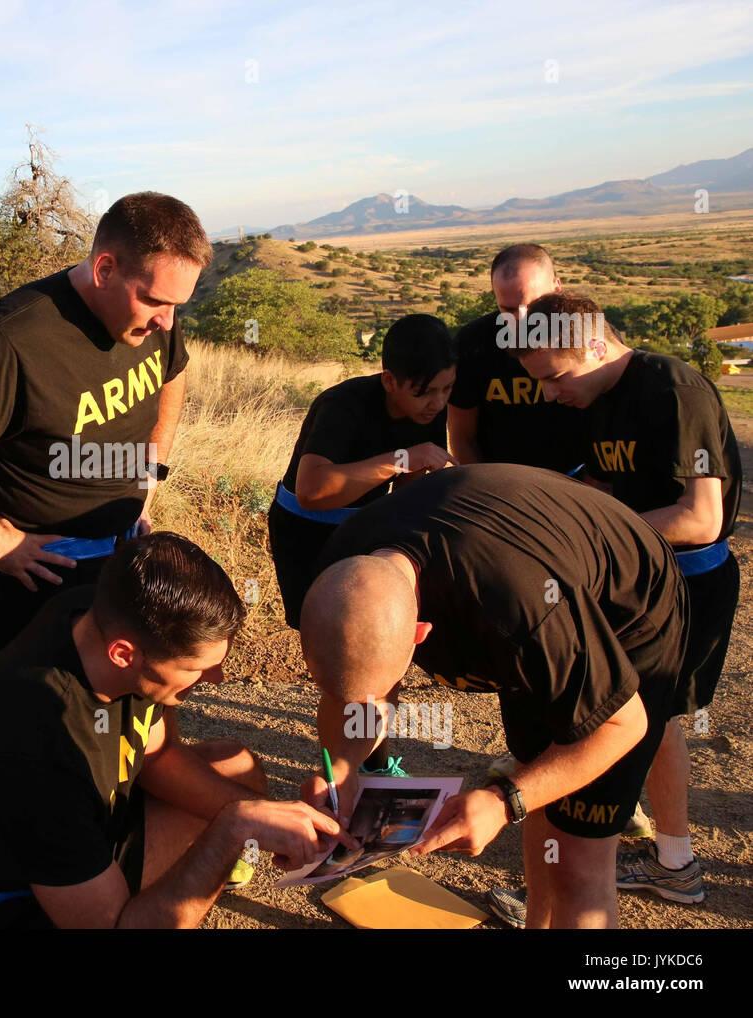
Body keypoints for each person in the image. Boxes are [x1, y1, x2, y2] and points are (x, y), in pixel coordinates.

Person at [298, 464, 689, 928]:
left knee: (578, 859)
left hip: (630, 609)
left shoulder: (516, 613)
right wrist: (341, 773)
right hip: (533, 574)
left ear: (421, 634)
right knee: (542, 785)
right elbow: (357, 694)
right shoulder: (343, 570)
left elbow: (622, 725)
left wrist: (505, 802)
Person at [0, 532, 351, 928]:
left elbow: (155, 755)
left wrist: (274, 818)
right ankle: (195, 880)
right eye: (197, 667)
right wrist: (233, 831)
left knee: (238, 769)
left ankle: (202, 872)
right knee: (224, 827)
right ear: (124, 654)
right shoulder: (36, 747)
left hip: (74, 838)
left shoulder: (91, 615)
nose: (215, 680)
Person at [0, 192, 211, 660]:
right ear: (105, 269)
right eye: (156, 302)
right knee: (35, 710)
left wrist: (150, 476)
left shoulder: (155, 320)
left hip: (126, 555)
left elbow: (173, 372)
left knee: (114, 700)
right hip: (42, 573)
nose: (167, 320)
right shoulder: (13, 338)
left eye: (177, 305)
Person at [515, 292, 740, 907]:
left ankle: (592, 876)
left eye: (555, 378)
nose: (549, 393)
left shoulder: (674, 389)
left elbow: (700, 518)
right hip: (639, 580)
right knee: (649, 718)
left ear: (592, 344)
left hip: (688, 584)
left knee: (630, 720)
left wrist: (587, 540)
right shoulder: (598, 397)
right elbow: (604, 485)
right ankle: (671, 861)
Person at [268, 312, 456, 631]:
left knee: (371, 621)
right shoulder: (342, 405)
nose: (437, 403)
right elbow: (311, 492)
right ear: (389, 381)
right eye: (424, 392)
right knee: (324, 629)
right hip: (304, 532)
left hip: (367, 524)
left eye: (447, 388)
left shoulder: (430, 409)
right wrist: (401, 459)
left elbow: (406, 493)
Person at [448, 244, 583, 472]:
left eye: (532, 306)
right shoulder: (473, 343)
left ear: (557, 288)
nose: (522, 321)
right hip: (501, 484)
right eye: (508, 309)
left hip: (578, 479)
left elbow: (611, 424)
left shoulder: (586, 332)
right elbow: (462, 437)